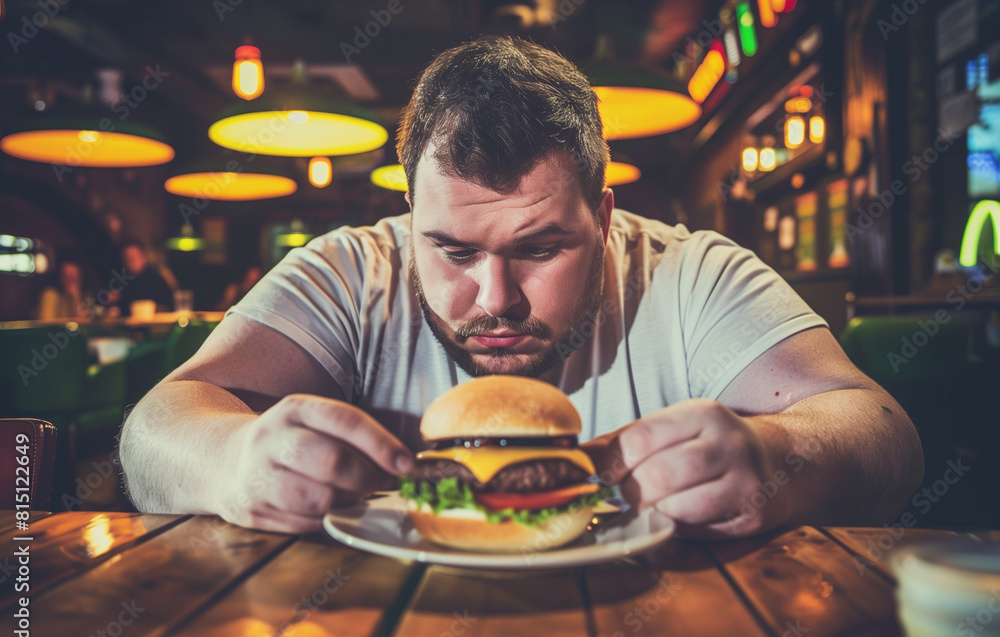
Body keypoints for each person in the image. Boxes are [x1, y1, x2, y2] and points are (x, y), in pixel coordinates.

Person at [120, 36, 922, 538]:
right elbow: (153, 427)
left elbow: (886, 432)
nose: (494, 297)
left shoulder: (690, 272)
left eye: (539, 247)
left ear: (604, 216)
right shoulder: (352, 269)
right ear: (410, 215)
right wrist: (233, 462)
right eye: (452, 249)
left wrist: (781, 455)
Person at [115, 240, 175, 315]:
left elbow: (167, 307)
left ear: (143, 257)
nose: (130, 262)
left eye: (133, 258)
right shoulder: (122, 282)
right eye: (127, 258)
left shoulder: (156, 279)